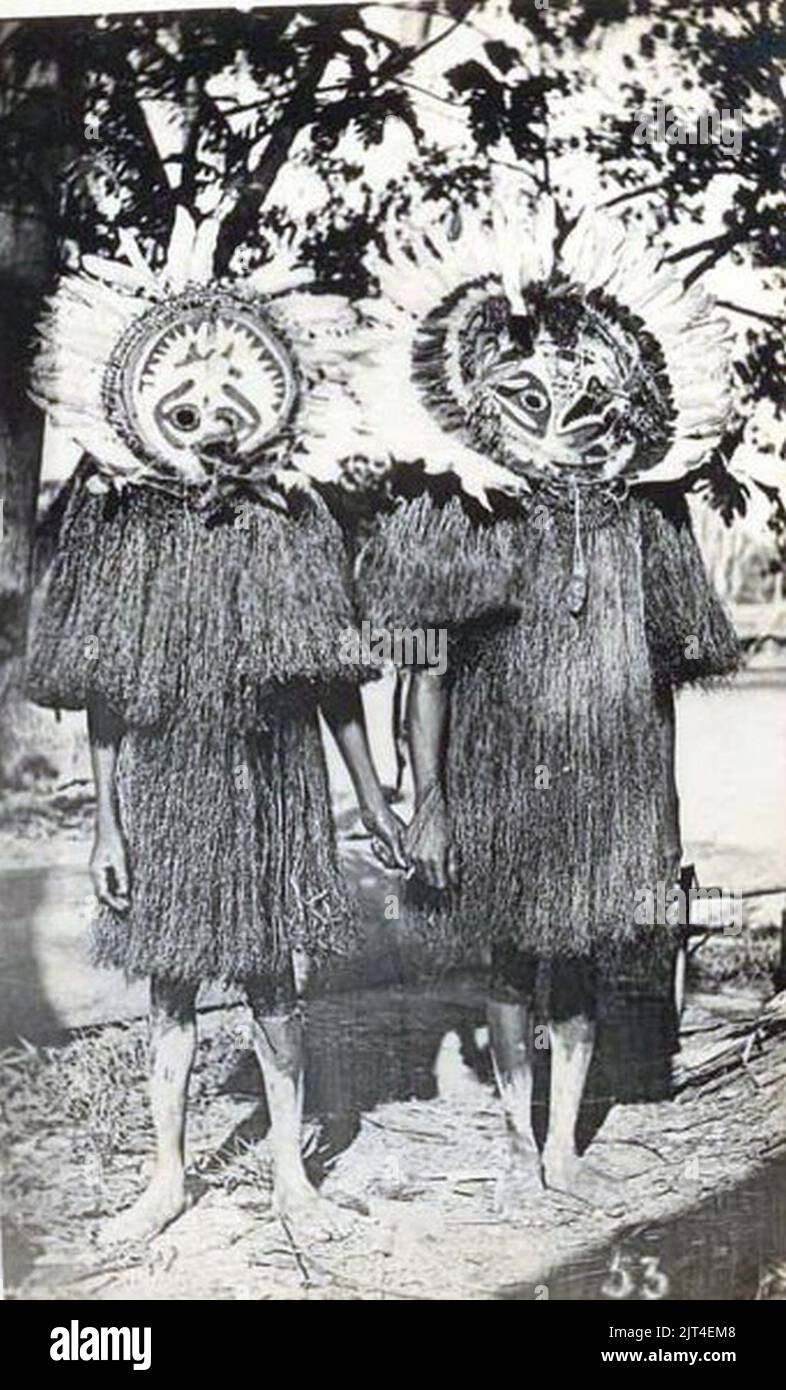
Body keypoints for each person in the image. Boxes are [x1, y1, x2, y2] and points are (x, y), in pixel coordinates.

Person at [352, 195, 741, 1207]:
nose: (563, 407)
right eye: (530, 389)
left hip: (600, 784)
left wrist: (651, 820)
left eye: (584, 386)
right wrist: (428, 796)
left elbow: (662, 674)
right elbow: (425, 665)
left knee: (575, 962)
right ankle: (519, 1119)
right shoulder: (464, 507)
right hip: (495, 770)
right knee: (509, 959)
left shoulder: (645, 520)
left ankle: (558, 1140)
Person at [26, 210, 406, 1242]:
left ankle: (292, 1175)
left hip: (276, 784)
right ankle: (167, 1174)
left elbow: (335, 681)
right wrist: (107, 824)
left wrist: (371, 801)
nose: (210, 418)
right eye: (183, 400)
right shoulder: (125, 528)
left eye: (230, 397)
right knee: (170, 989)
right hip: (169, 784)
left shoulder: (296, 521)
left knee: (276, 986)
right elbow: (108, 694)